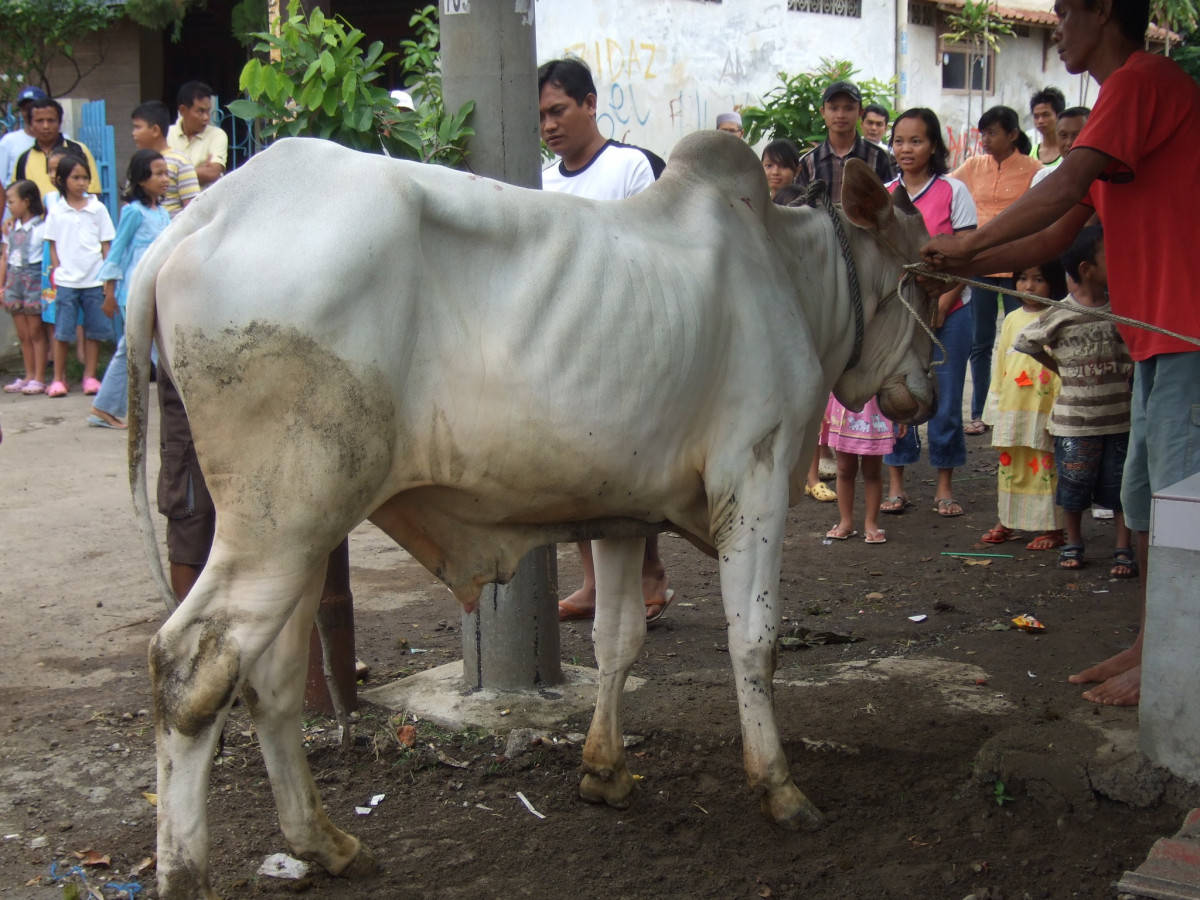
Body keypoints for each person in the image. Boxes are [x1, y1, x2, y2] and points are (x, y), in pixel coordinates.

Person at [923, 0, 1200, 707]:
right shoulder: (1121, 104)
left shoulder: (1141, 82)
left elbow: (1067, 187)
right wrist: (960, 266)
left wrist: (966, 243)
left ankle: (1177, 665)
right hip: (1157, 338)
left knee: (1178, 510)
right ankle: (1152, 644)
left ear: (1102, 11)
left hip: (1186, 332)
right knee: (1143, 501)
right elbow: (1053, 238)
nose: (1059, 24)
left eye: (1065, 11)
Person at [536, 58, 672, 624]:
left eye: (558, 110)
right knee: (577, 466)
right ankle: (592, 582)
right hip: (567, 341)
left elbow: (656, 251)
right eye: (541, 115)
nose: (548, 125)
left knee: (632, 466)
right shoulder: (541, 180)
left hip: (627, 339)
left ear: (591, 104)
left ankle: (650, 574)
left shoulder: (631, 167)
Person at [1011, 225, 1135, 575]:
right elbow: (1026, 342)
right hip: (1073, 422)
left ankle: (1122, 547)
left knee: (1119, 485)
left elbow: (1135, 348)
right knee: (1074, 485)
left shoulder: (1121, 309)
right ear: (1086, 268)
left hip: (1119, 418)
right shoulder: (1059, 312)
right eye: (1109, 257)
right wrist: (1060, 367)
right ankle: (1073, 541)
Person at [880, 108, 977, 518]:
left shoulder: (954, 192)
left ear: (933, 145)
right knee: (896, 396)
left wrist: (942, 302)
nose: (906, 148)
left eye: (915, 141)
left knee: (948, 397)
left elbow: (968, 255)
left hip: (951, 312)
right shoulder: (883, 194)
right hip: (899, 316)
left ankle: (944, 485)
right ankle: (897, 484)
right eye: (899, 140)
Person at [950, 106, 1042, 436]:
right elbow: (945, 188)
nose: (985, 140)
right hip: (981, 265)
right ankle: (980, 412)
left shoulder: (1035, 170)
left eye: (992, 133)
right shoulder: (973, 166)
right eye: (983, 134)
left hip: (1020, 268)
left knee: (1022, 338)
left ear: (1012, 134)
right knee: (981, 341)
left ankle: (1019, 409)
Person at [979, 260, 1067, 550]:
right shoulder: (1011, 318)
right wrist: (994, 407)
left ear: (1053, 282)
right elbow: (1000, 363)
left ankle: (1052, 527)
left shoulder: (1059, 316)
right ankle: (1008, 519)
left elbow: (1062, 367)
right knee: (1011, 463)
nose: (1028, 286)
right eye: (1022, 278)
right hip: (1013, 406)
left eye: (1038, 279)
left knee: (1044, 464)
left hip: (1045, 407)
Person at [87, 150, 171, 429]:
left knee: (133, 349)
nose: (164, 179)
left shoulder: (162, 213)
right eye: (157, 174)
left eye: (166, 172)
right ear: (141, 179)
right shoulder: (133, 212)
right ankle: (178, 405)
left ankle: (104, 407)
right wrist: (109, 292)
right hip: (134, 293)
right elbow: (117, 252)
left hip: (156, 289)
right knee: (151, 350)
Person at [42, 154, 114, 398]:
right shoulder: (57, 211)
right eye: (76, 177)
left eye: (85, 178)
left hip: (94, 280)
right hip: (66, 281)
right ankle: (58, 379)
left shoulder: (98, 209)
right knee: (62, 332)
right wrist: (57, 269)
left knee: (94, 331)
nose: (82, 182)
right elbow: (52, 244)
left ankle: (90, 376)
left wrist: (107, 277)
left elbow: (106, 245)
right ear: (62, 180)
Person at [795, 81, 895, 203]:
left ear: (860, 113)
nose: (840, 115)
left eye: (849, 108)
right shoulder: (809, 162)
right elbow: (799, 207)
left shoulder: (878, 158)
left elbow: (890, 204)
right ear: (823, 112)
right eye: (833, 108)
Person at [820, 395, 900, 544]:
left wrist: (901, 414)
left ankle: (871, 523)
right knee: (844, 469)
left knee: (872, 472)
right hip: (843, 407)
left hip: (875, 410)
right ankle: (845, 521)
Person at [0, 180, 48, 394]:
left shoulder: (42, 228)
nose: (8, 206)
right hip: (14, 281)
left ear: (26, 202)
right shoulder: (10, 228)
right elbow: (5, 257)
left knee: (36, 331)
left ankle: (39, 376)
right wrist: (2, 285)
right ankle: (28, 375)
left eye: (12, 201)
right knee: (23, 333)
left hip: (34, 282)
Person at [12, 98, 101, 199]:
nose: (46, 126)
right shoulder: (23, 159)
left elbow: (93, 192)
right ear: (31, 124)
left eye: (51, 120)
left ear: (60, 122)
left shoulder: (78, 150)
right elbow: (18, 198)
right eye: (39, 121)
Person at [131, 100, 199, 217]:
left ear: (155, 130)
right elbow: (129, 200)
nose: (133, 133)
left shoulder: (180, 161)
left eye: (138, 127)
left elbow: (192, 208)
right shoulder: (138, 162)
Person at [167, 81, 228, 188]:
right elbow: (154, 174)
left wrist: (173, 173)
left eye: (208, 111)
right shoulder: (166, 134)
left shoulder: (217, 135)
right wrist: (200, 171)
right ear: (183, 110)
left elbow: (213, 173)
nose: (206, 118)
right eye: (200, 111)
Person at [0, 85, 48, 214]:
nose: (29, 112)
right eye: (25, 109)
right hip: (16, 215)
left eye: (34, 107)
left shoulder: (63, 141)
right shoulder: (9, 141)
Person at [1028, 86, 1067, 166]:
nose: (1040, 121)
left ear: (1059, 115)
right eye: (1036, 116)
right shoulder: (1030, 154)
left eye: (1046, 115)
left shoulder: (1068, 150)